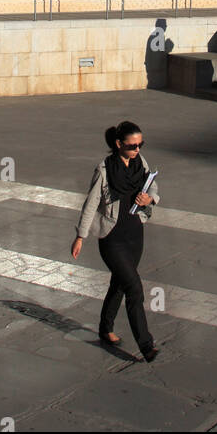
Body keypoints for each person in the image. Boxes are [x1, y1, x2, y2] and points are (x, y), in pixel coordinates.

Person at [71, 121, 160, 362]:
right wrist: (81, 235)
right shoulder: (104, 169)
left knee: (120, 284)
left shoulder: (141, 163)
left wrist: (148, 200)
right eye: (133, 146)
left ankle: (105, 328)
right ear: (119, 144)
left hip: (135, 233)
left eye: (141, 144)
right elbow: (90, 203)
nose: (138, 149)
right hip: (112, 237)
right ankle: (146, 344)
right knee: (134, 288)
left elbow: (153, 189)